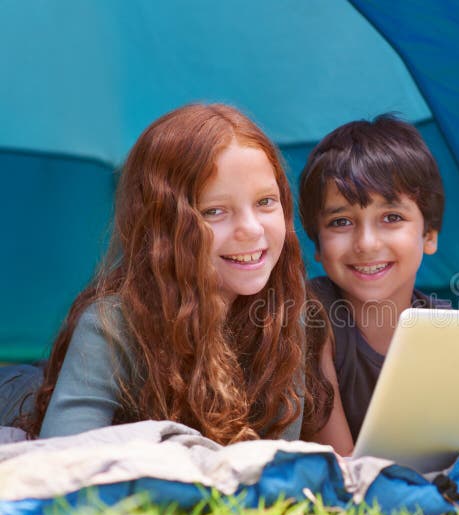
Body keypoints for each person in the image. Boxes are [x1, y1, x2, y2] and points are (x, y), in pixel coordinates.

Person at [12, 103, 352, 452]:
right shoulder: (110, 327)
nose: (251, 230)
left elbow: (274, 463)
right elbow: (64, 460)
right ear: (163, 229)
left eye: (265, 201)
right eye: (214, 211)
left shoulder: (286, 314)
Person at [298, 114, 449, 441]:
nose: (366, 244)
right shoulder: (310, 318)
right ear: (318, 246)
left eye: (391, 217)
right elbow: (341, 465)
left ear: (429, 236)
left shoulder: (449, 328)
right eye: (340, 222)